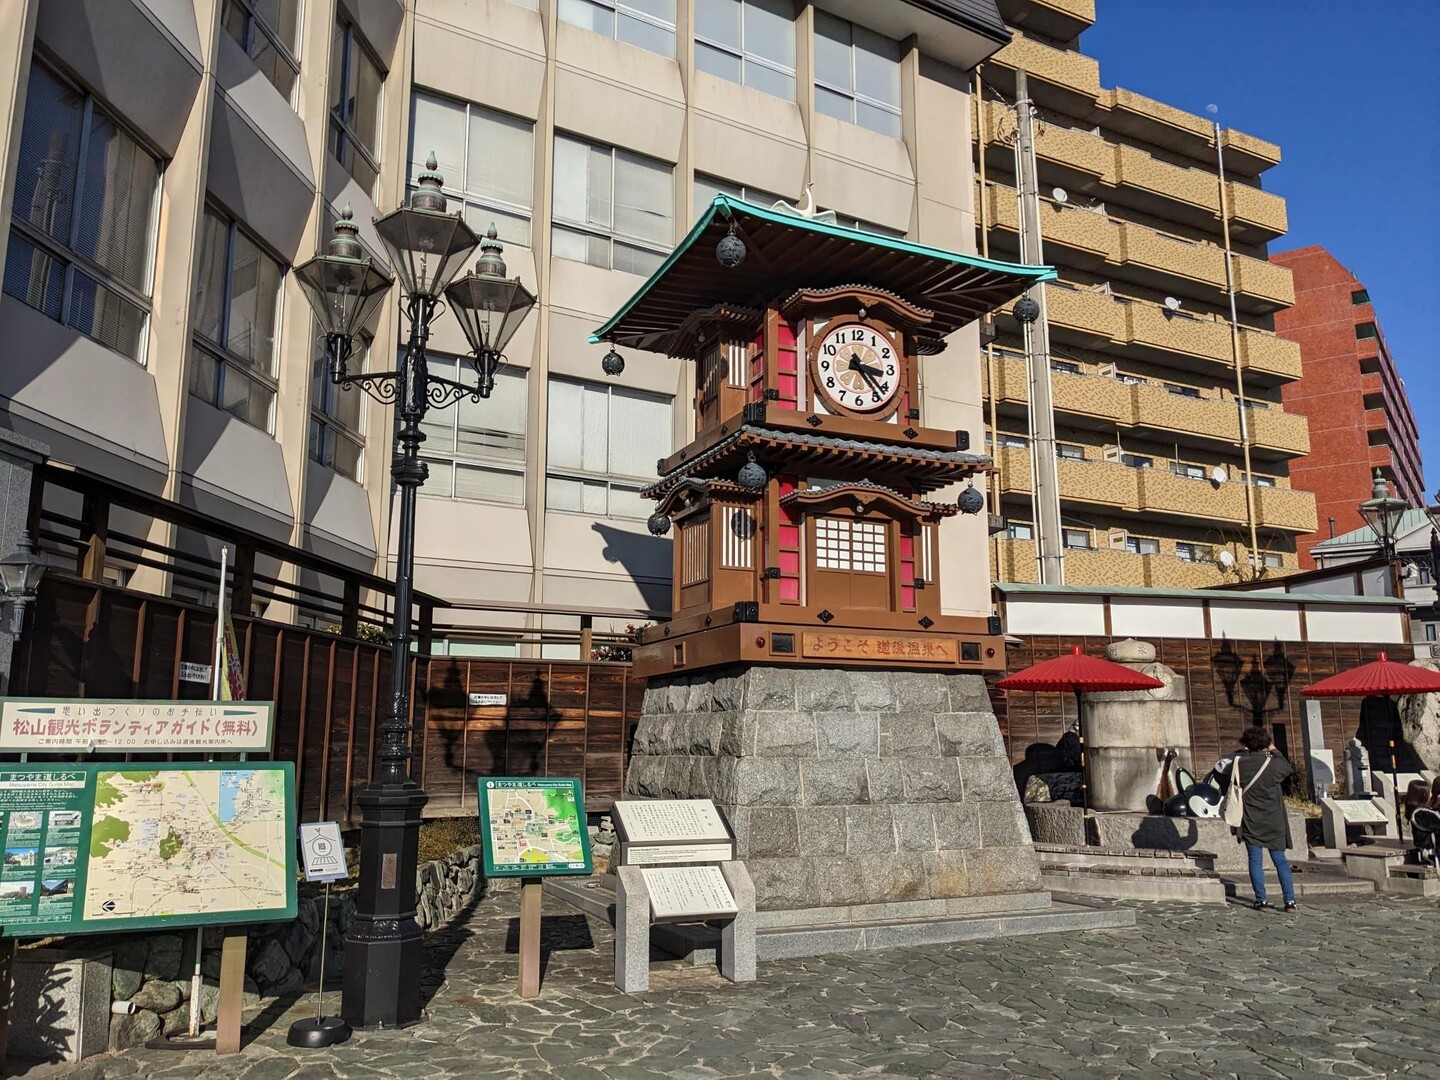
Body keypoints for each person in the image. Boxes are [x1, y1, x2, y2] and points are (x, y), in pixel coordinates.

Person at [1230, 726, 1296, 913]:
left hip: (1251, 818)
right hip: (1274, 818)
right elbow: (1286, 766)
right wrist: (1273, 748)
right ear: (1266, 743)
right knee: (1280, 860)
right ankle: (1290, 901)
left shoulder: (1240, 763)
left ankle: (1261, 900)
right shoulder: (1275, 764)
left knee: (1255, 859)